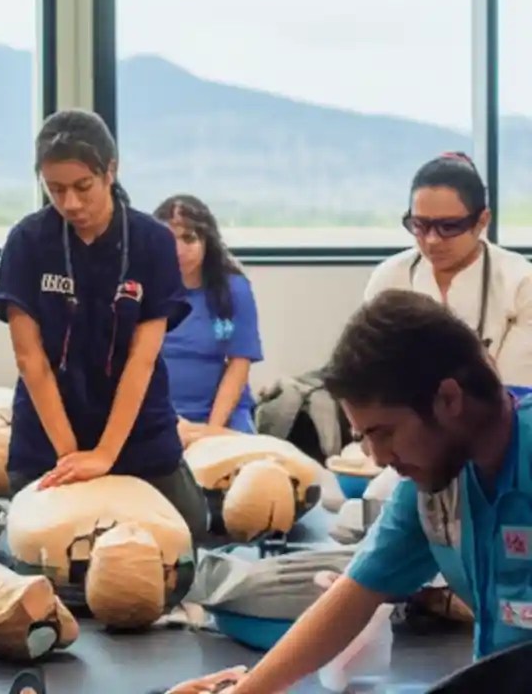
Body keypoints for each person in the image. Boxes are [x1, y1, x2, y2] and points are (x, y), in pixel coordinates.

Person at [206, 289, 532, 693]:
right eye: (364, 437)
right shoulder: (435, 486)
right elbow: (353, 598)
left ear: (449, 399)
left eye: (385, 433)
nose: (377, 459)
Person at [0, 109, 208, 540]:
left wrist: (106, 454)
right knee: (43, 549)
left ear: (111, 170)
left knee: (186, 534)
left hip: (136, 427)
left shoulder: (152, 242)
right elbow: (30, 358)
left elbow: (142, 359)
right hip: (49, 430)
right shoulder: (28, 241)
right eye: (55, 189)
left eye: (82, 187)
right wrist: (73, 459)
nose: (70, 203)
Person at [364, 151, 532, 387]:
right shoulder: (390, 277)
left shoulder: (521, 283)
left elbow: (518, 391)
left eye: (449, 226)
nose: (432, 240)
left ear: (482, 221)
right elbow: (371, 373)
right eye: (420, 225)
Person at [154, 195, 263, 433]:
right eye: (169, 240)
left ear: (206, 241)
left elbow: (238, 364)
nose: (179, 250)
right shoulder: (145, 290)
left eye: (188, 239)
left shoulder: (234, 289)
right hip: (160, 415)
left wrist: (211, 432)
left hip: (224, 417)